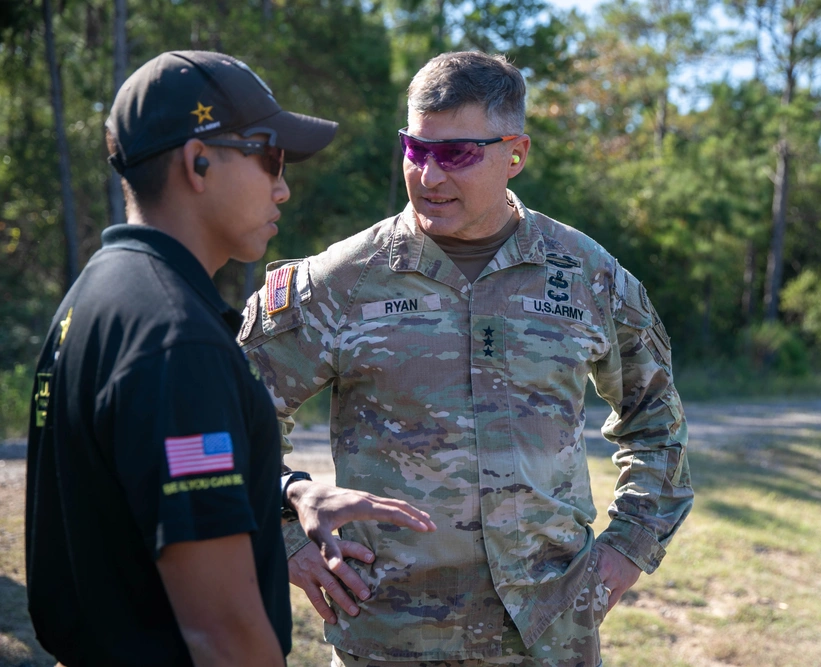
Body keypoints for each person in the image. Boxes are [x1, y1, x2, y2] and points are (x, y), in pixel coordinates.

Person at [241, 51, 692, 666]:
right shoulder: (341, 282)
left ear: (516, 154)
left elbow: (657, 426)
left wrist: (626, 550)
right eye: (416, 149)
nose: (429, 176)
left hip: (549, 636)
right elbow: (228, 421)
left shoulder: (587, 276)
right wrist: (284, 532)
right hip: (392, 637)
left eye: (457, 154)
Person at [25, 50, 434, 667]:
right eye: (271, 158)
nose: (284, 187)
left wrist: (288, 490)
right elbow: (222, 633)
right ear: (198, 162)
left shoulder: (100, 296)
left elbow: (145, 484)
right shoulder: (175, 339)